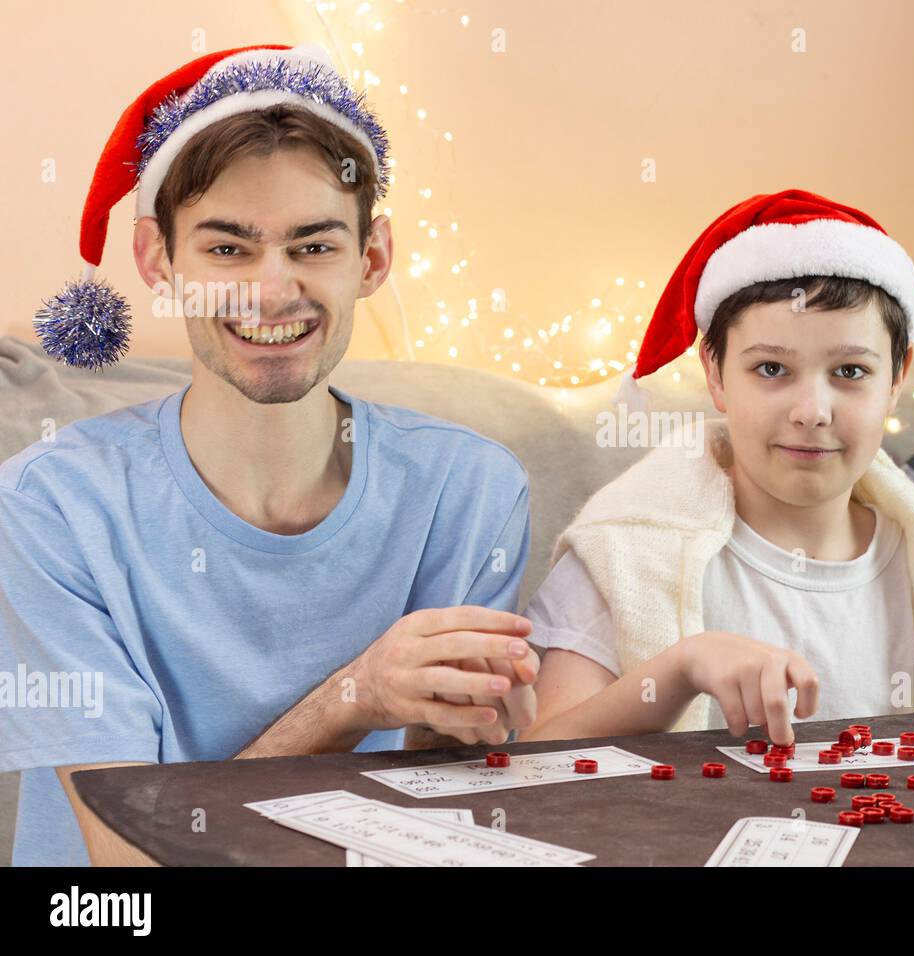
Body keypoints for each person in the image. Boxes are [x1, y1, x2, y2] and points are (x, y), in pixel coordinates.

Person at [0, 43, 537, 866]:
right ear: (157, 260)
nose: (274, 290)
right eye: (227, 249)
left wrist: (493, 730)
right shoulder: (50, 507)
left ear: (372, 258)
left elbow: (459, 808)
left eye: (313, 246)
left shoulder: (470, 492)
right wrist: (355, 696)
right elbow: (129, 866)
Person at [519, 189, 914, 746]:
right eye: (772, 368)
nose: (811, 412)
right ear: (715, 373)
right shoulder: (626, 551)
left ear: (897, 378)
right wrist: (680, 670)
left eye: (850, 371)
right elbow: (538, 756)